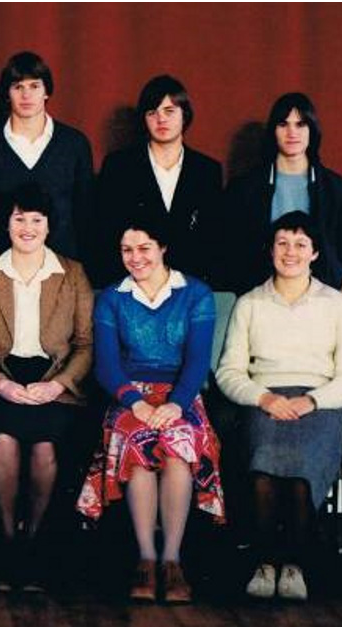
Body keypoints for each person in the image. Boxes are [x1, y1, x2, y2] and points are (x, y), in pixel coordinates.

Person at [215, 211, 342, 601]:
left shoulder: (336, 304)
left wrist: (312, 400)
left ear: (315, 253)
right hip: (264, 402)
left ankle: (295, 565)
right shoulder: (250, 303)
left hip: (317, 406)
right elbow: (229, 372)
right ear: (270, 250)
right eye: (282, 243)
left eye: (301, 244)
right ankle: (266, 564)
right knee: (263, 462)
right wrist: (263, 397)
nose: (291, 252)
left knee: (300, 472)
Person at [76, 215, 225, 605]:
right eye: (127, 250)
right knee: (137, 446)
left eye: (144, 248)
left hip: (182, 394)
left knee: (179, 446)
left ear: (163, 248)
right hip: (130, 395)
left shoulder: (196, 294)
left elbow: (197, 361)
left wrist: (175, 404)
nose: (135, 257)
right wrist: (136, 402)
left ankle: (172, 561)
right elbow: (107, 364)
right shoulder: (112, 297)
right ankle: (145, 557)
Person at [0, 183, 93, 592]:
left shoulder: (72, 274)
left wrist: (59, 385)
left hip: (53, 386)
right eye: (20, 218)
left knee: (44, 448)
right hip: (0, 384)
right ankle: (7, 545)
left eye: (36, 219)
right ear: (7, 223)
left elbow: (85, 344)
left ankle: (33, 544)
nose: (28, 227)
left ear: (50, 226)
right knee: (3, 442)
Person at [219, 93, 342, 294]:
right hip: (259, 297)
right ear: (273, 131)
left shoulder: (338, 190)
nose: (292, 132)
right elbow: (230, 246)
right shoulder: (244, 188)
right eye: (283, 124)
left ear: (312, 130)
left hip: (317, 299)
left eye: (300, 124)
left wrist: (325, 285)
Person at [0, 51, 94, 266]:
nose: (26, 96)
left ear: (47, 91)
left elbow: (86, 217)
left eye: (34, 86)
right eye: (18, 87)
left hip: (62, 272)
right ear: (7, 94)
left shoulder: (74, 144)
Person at [94, 75, 223, 286]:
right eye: (152, 112)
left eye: (170, 111)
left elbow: (213, 240)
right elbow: (106, 235)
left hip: (188, 288)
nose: (161, 119)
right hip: (132, 287)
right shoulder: (119, 167)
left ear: (185, 115)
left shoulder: (206, 171)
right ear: (144, 119)